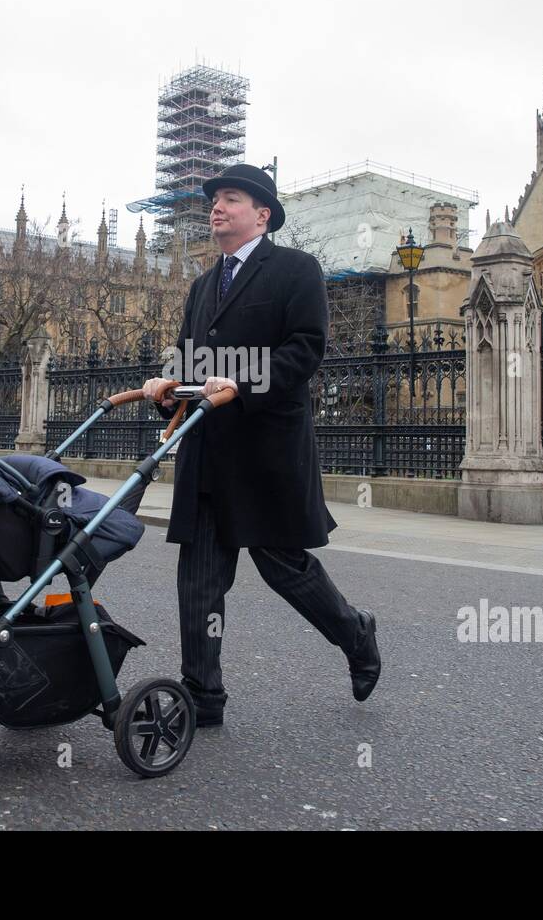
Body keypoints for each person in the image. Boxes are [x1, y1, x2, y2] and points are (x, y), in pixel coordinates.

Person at [142, 163, 380, 728]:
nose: (216, 208)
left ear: (262, 214)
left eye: (230, 199)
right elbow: (191, 360)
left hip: (266, 448)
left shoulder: (296, 269)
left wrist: (241, 383)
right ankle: (203, 696)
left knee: (285, 566)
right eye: (214, 200)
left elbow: (305, 351)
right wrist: (166, 387)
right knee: (199, 574)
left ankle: (355, 632)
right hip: (207, 448)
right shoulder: (202, 286)